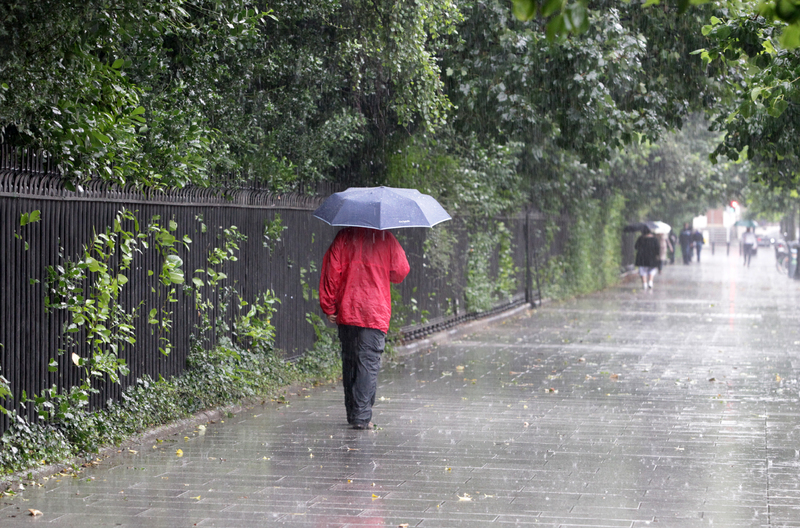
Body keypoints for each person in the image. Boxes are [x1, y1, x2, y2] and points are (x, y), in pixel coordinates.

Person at [320, 227, 410, 430]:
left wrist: (329, 306)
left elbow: (331, 271)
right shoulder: (386, 238)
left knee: (350, 360)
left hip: (348, 307)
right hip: (374, 310)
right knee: (368, 362)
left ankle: (353, 413)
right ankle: (361, 417)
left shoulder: (344, 237)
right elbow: (400, 271)